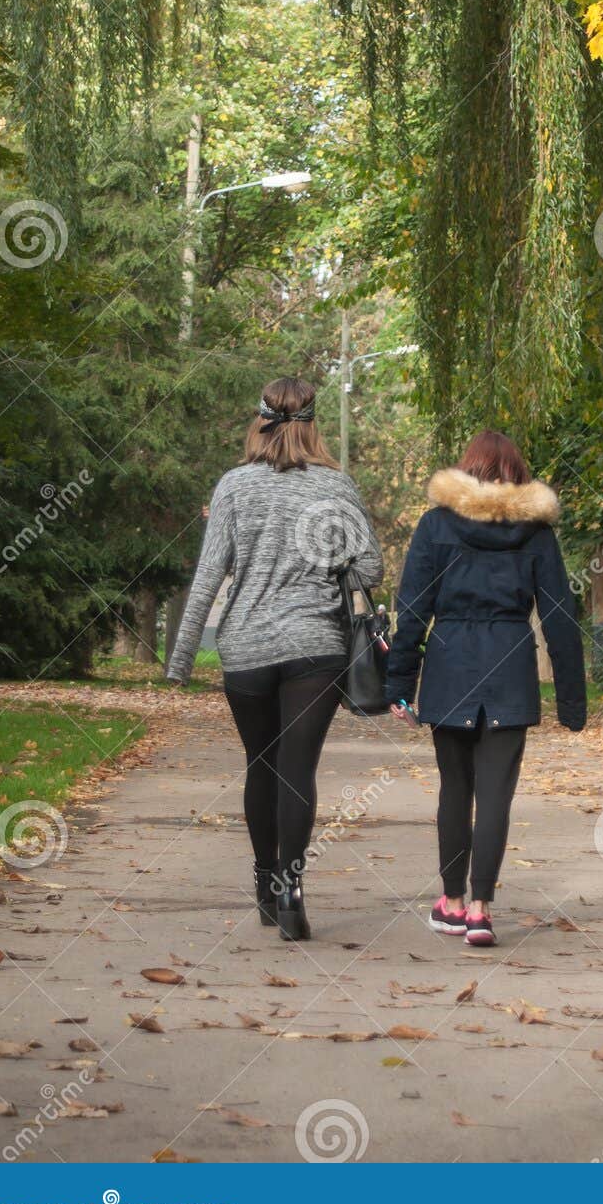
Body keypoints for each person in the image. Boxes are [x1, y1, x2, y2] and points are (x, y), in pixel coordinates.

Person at [166, 377, 382, 940]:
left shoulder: (234, 487)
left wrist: (181, 659)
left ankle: (264, 883)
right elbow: (370, 571)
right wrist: (327, 559)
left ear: (258, 421)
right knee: (297, 770)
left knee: (260, 765)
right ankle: (292, 888)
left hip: (247, 647)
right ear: (314, 424)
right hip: (316, 646)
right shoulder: (337, 487)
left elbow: (210, 573)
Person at [387, 430, 586, 946]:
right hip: (510, 667)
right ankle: (480, 910)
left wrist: (400, 686)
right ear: (516, 476)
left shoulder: (435, 526)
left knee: (456, 789)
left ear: (467, 471)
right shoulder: (537, 534)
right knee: (496, 794)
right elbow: (560, 617)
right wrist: (571, 700)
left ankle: (450, 902)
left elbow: (412, 611)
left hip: (450, 664)